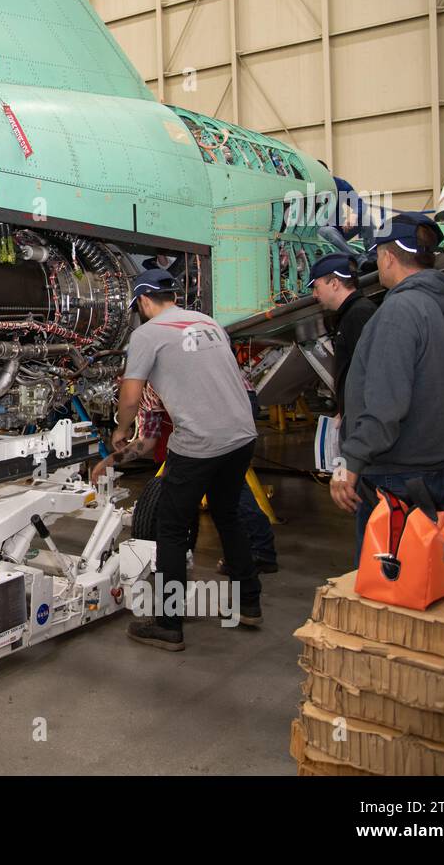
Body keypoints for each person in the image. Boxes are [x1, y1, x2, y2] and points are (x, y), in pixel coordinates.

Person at [109, 269, 263, 652]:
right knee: (227, 515)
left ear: (144, 302)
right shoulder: (208, 322)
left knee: (172, 527)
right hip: (241, 435)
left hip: (200, 442)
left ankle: (168, 623)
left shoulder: (146, 334)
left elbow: (131, 396)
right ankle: (250, 604)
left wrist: (120, 431)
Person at [329, 213, 444, 562]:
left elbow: (386, 406)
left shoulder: (399, 310)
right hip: (433, 470)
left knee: (387, 586)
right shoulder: (443, 309)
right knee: (423, 577)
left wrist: (350, 463)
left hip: (396, 478)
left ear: (388, 257)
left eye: (377, 256)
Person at [94, 383, 277, 573]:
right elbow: (147, 439)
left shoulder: (158, 368)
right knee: (223, 483)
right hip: (216, 401)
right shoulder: (146, 390)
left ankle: (257, 551)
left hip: (233, 394)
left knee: (224, 483)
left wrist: (122, 429)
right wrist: (110, 461)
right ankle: (251, 553)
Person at [308, 252, 377, 413]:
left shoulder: (358, 314)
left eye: (317, 287)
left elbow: (370, 373)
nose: (314, 295)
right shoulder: (350, 313)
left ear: (334, 283)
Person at [317, 176, 373, 257]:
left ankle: (373, 256)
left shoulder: (338, 184)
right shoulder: (305, 187)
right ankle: (358, 260)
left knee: (366, 219)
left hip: (339, 228)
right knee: (327, 231)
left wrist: (354, 215)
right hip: (317, 233)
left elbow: (359, 203)